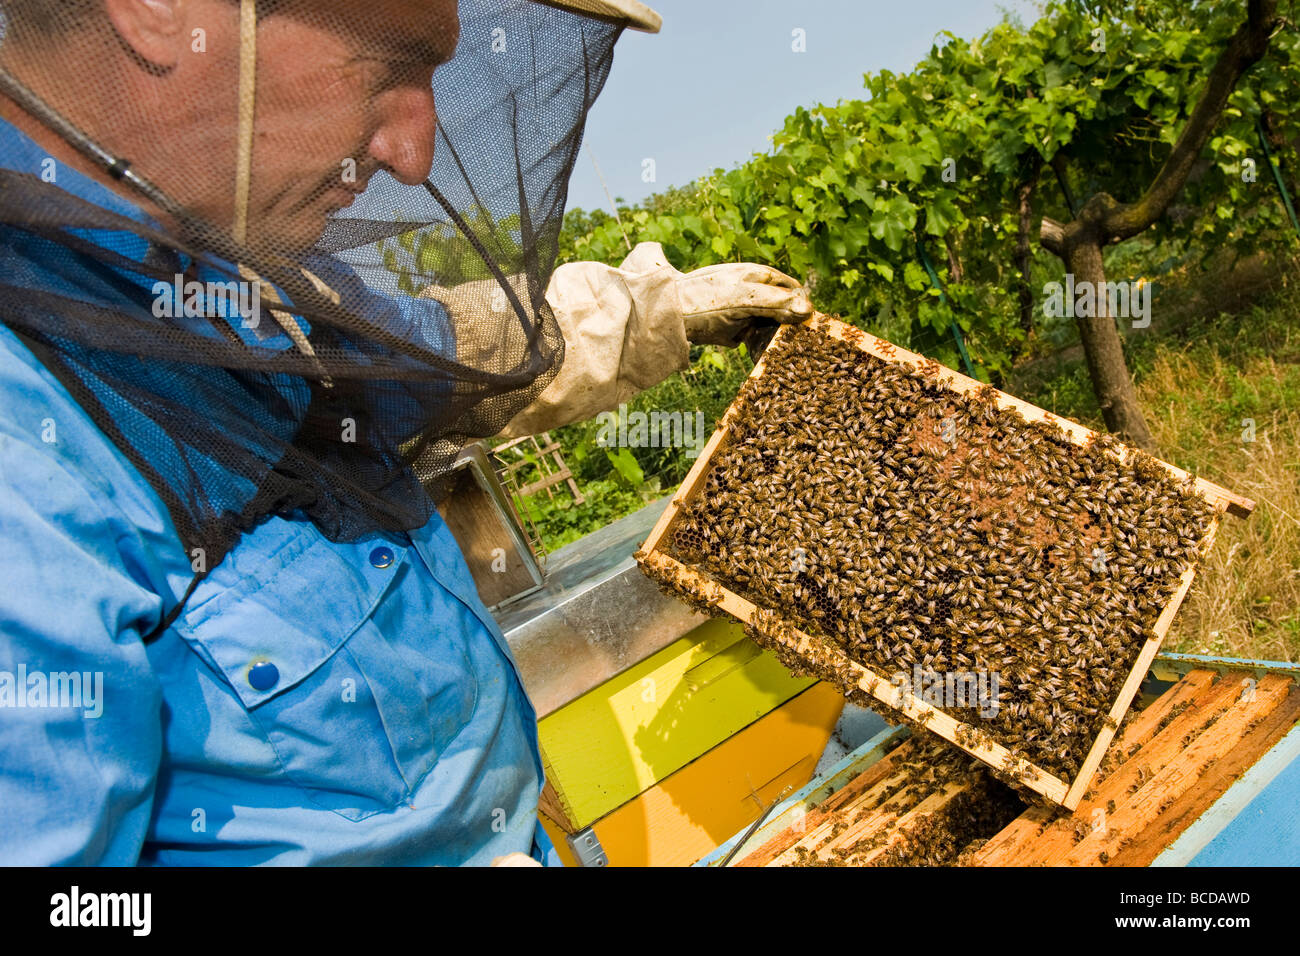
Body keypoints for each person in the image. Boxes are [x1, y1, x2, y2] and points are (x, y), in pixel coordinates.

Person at [0, 0, 812, 865]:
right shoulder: (27, 454)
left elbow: (453, 354)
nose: (414, 156)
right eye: (386, 67)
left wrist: (656, 312)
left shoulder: (229, 281)